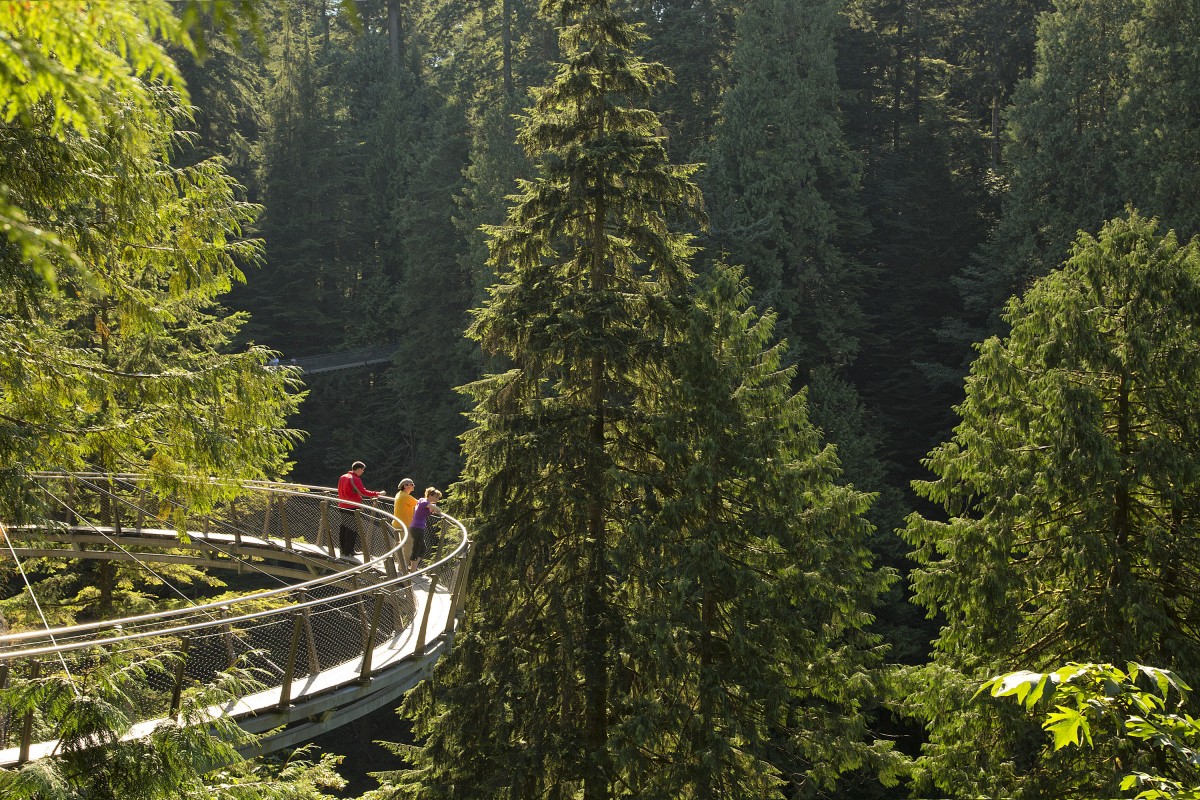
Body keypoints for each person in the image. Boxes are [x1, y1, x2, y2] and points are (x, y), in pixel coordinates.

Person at [337, 461, 382, 558]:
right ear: (358, 469)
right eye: (362, 470)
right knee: (352, 529)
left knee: (344, 527)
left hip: (342, 505)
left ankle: (343, 549)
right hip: (352, 506)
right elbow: (363, 492)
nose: (363, 472)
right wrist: (377, 494)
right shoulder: (355, 478)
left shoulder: (343, 477)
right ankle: (349, 551)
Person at [408, 487, 442, 571]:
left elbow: (428, 508)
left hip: (417, 528)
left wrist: (432, 507)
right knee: (416, 548)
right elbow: (438, 509)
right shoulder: (424, 502)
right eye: (436, 497)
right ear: (430, 495)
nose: (438, 499)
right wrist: (434, 508)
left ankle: (413, 567)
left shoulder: (422, 500)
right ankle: (412, 569)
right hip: (417, 528)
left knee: (422, 548)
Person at [392, 478, 418, 565]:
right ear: (405, 486)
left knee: (400, 544)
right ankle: (404, 565)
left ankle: (400, 563)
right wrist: (431, 505)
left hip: (398, 523)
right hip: (404, 524)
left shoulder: (399, 494)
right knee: (408, 544)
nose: (413, 486)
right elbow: (418, 503)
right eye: (412, 484)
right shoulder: (405, 496)